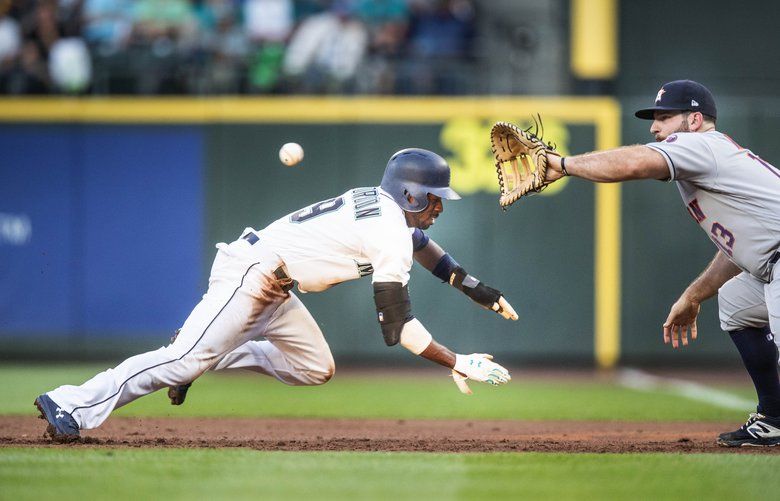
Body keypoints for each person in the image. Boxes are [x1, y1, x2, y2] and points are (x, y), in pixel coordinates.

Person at [35, 148, 518, 442]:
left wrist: (473, 288)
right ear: (411, 196)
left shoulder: (377, 203)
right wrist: (455, 360)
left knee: (315, 368)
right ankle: (72, 403)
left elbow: (421, 244)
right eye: (435, 198)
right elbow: (398, 329)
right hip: (252, 273)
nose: (439, 207)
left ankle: (207, 348)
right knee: (180, 361)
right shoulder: (390, 232)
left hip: (276, 285)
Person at [540, 79, 780, 447]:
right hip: (772, 262)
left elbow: (635, 163)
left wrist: (564, 163)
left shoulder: (699, 145)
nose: (654, 127)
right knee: (735, 302)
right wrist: (694, 295)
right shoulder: (710, 159)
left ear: (695, 119)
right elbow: (739, 250)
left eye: (665, 117)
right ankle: (774, 418)